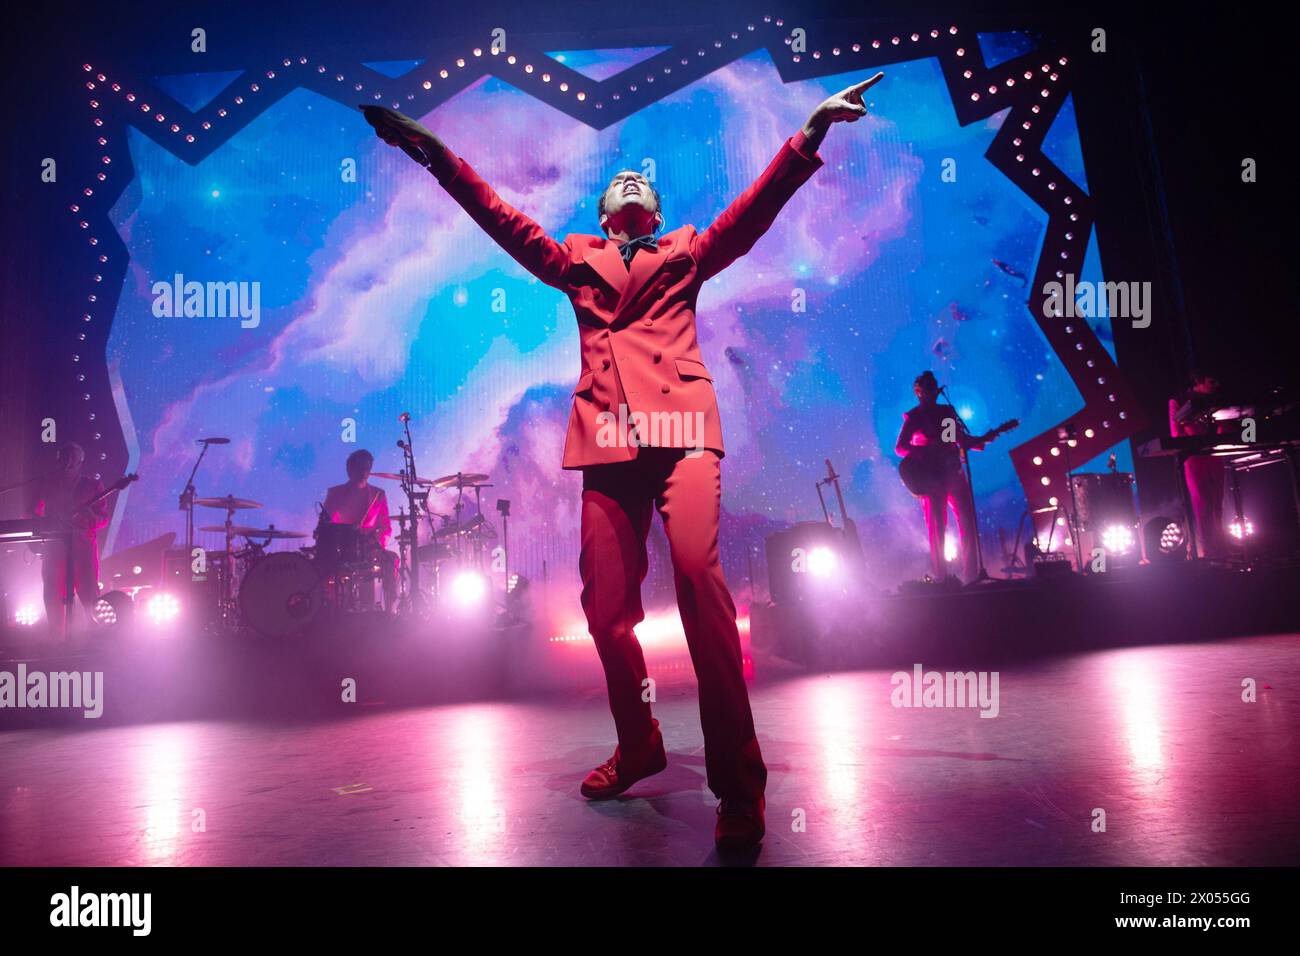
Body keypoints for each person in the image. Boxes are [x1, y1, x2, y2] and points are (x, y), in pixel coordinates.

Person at [362, 71, 885, 850]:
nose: (630, 180)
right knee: (605, 612)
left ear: (658, 212)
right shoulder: (575, 259)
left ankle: (739, 789)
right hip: (608, 441)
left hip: (684, 434)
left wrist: (808, 132)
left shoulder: (686, 251)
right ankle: (640, 742)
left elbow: (753, 214)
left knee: (703, 587)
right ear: (605, 216)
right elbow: (501, 218)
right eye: (617, 182)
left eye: (641, 180)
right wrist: (436, 154)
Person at [895, 371, 985, 582]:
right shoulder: (915, 416)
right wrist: (924, 451)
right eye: (926, 389)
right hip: (932, 479)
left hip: (952, 472)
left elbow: (951, 440)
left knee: (967, 521)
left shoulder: (945, 412)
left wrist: (981, 441)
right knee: (937, 527)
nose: (931, 392)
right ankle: (941, 577)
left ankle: (971, 574)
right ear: (919, 392)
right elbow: (900, 448)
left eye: (932, 388)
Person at [28, 442, 108, 639]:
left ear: (80, 460)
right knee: (53, 594)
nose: (68, 460)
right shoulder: (46, 483)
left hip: (83, 549)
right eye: (64, 456)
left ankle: (94, 638)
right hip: (54, 548)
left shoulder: (92, 485)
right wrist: (38, 529)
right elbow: (32, 512)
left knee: (89, 593)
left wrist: (90, 515)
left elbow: (103, 519)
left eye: (72, 456)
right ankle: (56, 641)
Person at [320, 449, 398, 609]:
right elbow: (324, 527)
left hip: (369, 549)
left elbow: (386, 527)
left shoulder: (378, 494)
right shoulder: (335, 494)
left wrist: (375, 545)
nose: (364, 472)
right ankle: (331, 607)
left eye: (367, 468)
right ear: (350, 470)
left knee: (392, 559)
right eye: (360, 468)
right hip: (341, 551)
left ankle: (390, 609)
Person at [1168, 370, 1228, 558]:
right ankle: (1208, 549)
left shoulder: (1216, 399)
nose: (1216, 384)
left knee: (1218, 501)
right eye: (1212, 380)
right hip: (1194, 457)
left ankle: (1221, 546)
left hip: (1215, 454)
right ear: (1198, 381)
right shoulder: (1177, 401)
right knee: (1202, 502)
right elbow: (1176, 434)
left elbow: (1227, 425)